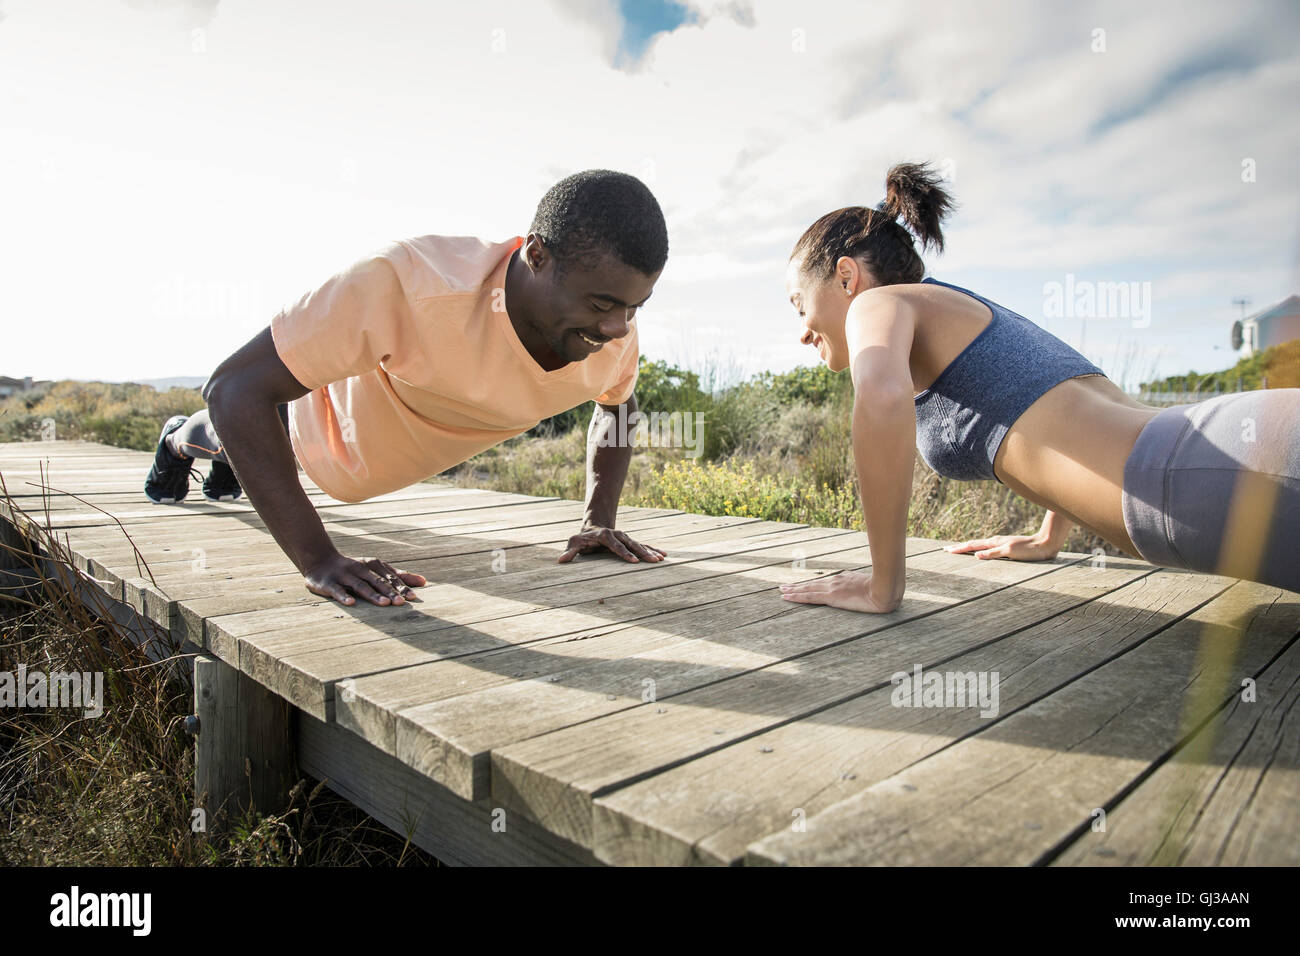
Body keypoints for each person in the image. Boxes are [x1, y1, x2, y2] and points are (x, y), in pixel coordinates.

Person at [778, 162, 1300, 613]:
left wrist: (882, 586)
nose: (802, 330)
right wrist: (1049, 537)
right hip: (1218, 456)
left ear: (847, 278)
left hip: (1220, 475)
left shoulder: (878, 303)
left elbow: (883, 400)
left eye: (800, 305)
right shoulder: (967, 312)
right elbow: (1069, 407)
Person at [144, 170, 670, 608]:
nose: (618, 328)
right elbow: (234, 389)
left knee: (239, 447)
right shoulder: (411, 280)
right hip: (316, 420)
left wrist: (598, 519)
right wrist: (319, 560)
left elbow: (618, 408)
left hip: (374, 459)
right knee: (221, 431)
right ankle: (175, 440)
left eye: (635, 307)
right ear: (537, 255)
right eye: (603, 305)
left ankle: (228, 463)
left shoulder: (610, 336)